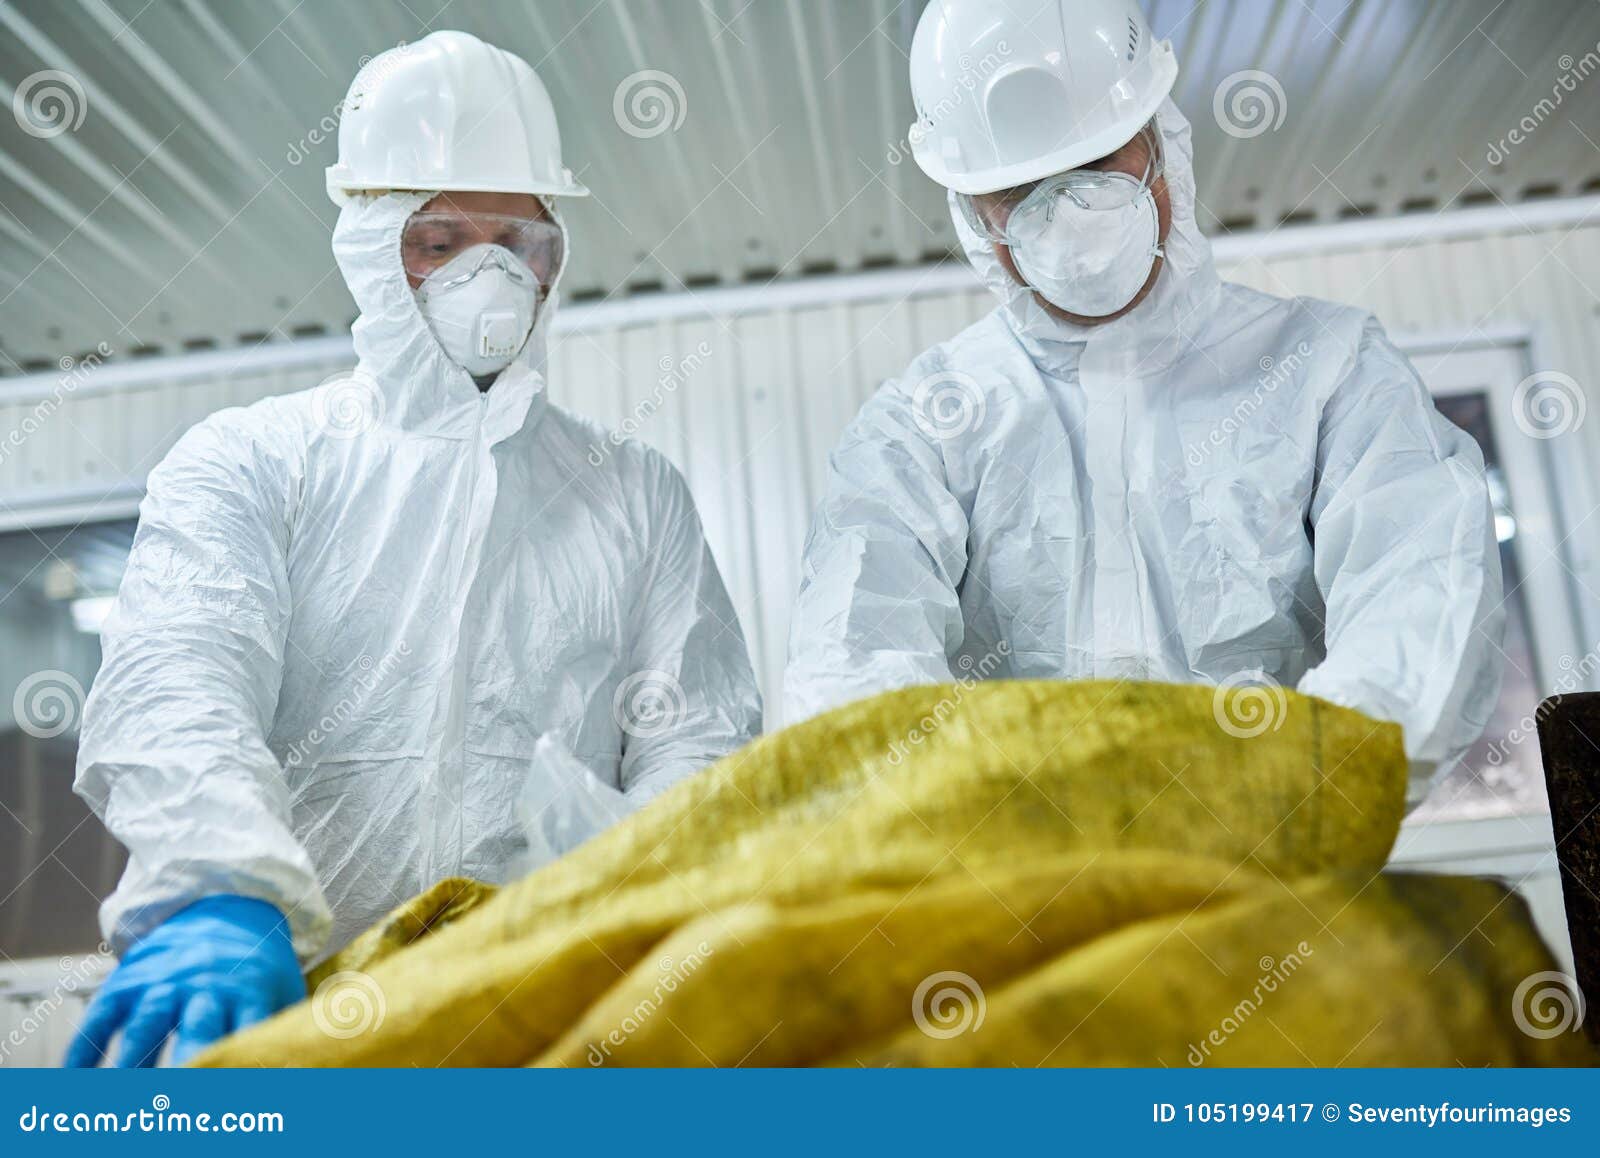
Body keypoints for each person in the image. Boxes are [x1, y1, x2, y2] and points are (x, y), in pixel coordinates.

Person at [67, 30, 761, 1067]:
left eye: (518, 243)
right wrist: (220, 889)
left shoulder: (632, 491)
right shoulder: (252, 460)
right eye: (438, 242)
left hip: (563, 1025)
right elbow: (183, 680)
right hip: (298, 1015)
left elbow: (694, 745)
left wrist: (648, 936)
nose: (489, 279)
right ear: (369, 247)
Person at [785, 0, 1503, 805]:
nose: (1070, 218)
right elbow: (853, 671)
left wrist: (1293, 798)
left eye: (1098, 163)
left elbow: (1421, 601)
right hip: (1017, 876)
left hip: (1280, 858)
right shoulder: (924, 428)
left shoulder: (1326, 368)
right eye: (1021, 192)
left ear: (1161, 141)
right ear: (975, 215)